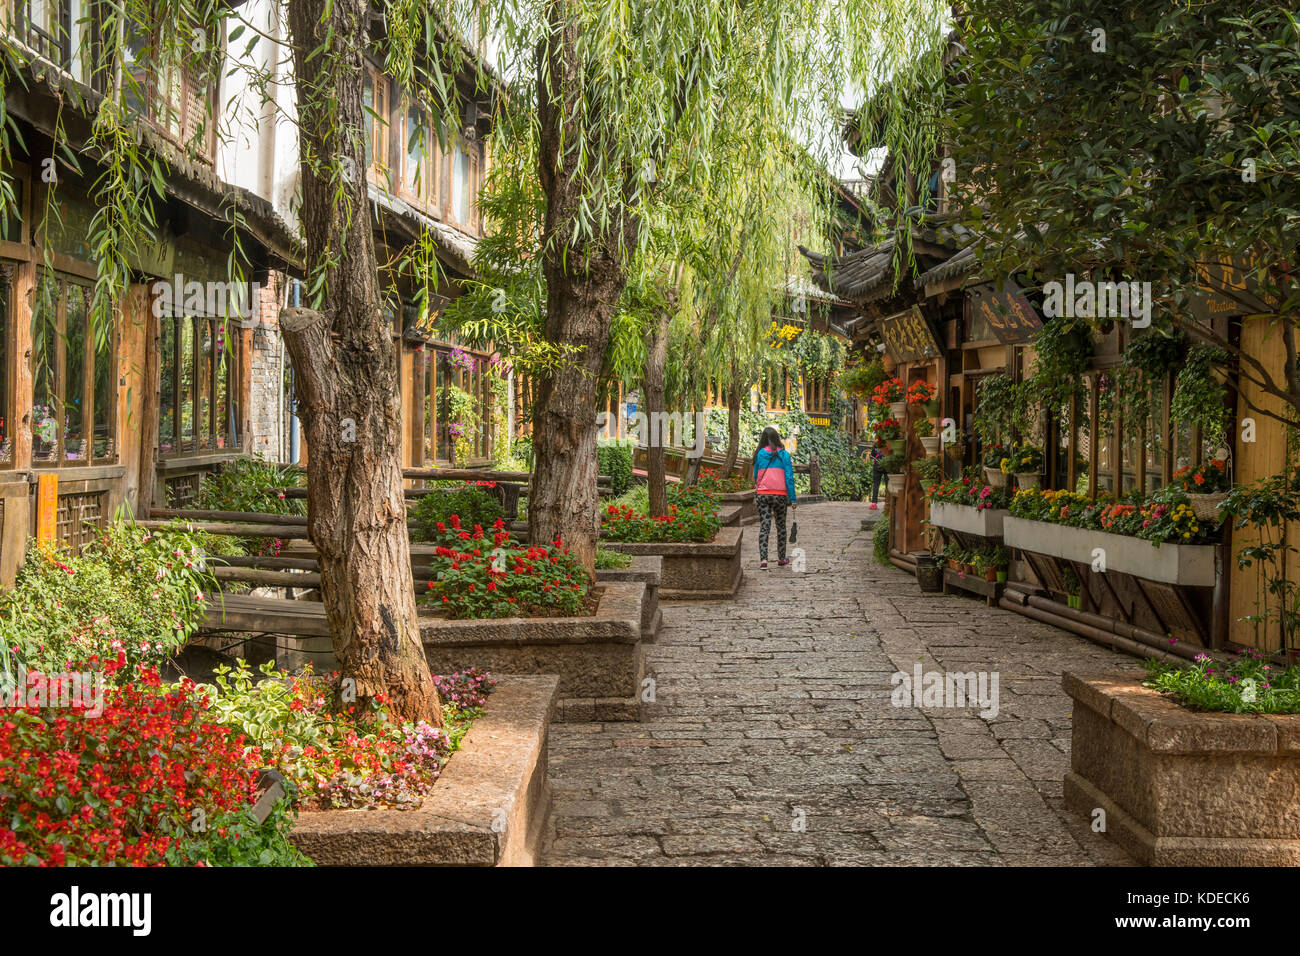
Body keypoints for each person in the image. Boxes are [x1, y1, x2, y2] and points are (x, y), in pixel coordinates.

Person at [751, 425, 796, 569]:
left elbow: (755, 475)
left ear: (763, 439)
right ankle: (781, 558)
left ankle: (763, 560)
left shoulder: (760, 454)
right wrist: (793, 499)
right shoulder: (784, 455)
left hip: (763, 495)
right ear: (777, 438)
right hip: (780, 496)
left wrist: (760, 488)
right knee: (781, 527)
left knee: (765, 526)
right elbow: (789, 477)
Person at [868, 440, 885, 509]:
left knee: (876, 484)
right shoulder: (888, 443)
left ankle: (874, 503)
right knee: (888, 484)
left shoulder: (876, 445)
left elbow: (872, 456)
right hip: (886, 464)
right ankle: (888, 503)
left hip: (877, 465)